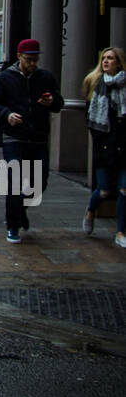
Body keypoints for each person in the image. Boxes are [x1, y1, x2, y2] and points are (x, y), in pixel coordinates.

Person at [0, 38, 64, 244]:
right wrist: (8, 115)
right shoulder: (5, 78)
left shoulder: (45, 77)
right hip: (14, 137)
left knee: (39, 184)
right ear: (19, 57)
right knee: (14, 182)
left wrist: (51, 102)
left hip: (38, 138)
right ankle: (12, 226)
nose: (32, 64)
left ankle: (20, 210)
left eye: (35, 60)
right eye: (28, 59)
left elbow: (59, 102)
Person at [81, 45, 126, 249]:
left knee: (125, 189)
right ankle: (91, 210)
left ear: (119, 62)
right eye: (104, 58)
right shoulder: (95, 83)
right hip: (104, 146)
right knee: (104, 190)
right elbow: (90, 118)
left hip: (124, 145)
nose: (106, 61)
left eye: (111, 58)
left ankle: (120, 232)